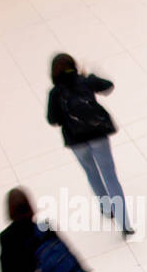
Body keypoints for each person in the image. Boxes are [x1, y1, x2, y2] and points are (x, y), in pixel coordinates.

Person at [46, 52, 133, 235]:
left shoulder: (55, 93)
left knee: (91, 172)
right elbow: (108, 86)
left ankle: (105, 206)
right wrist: (90, 76)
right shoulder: (84, 82)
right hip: (98, 135)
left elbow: (52, 120)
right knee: (110, 176)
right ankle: (124, 222)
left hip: (76, 140)